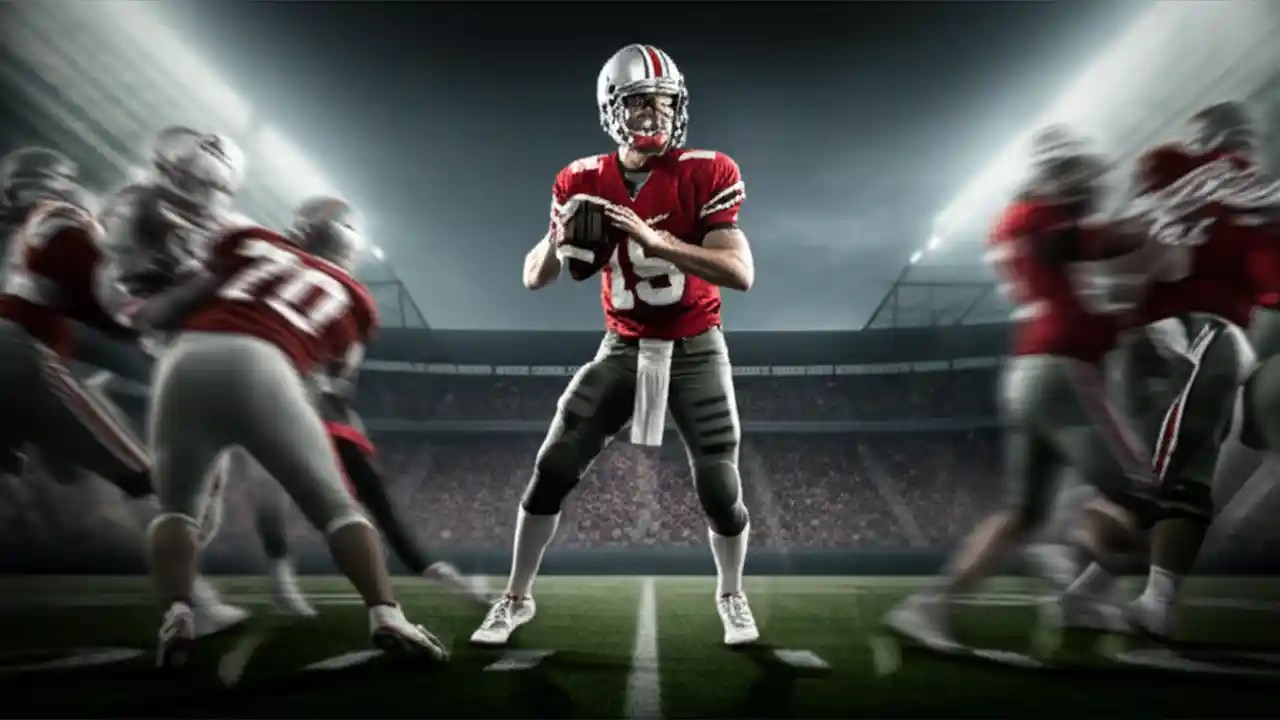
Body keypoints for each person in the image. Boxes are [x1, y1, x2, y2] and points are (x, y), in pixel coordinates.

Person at [472, 43, 758, 647]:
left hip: (696, 348)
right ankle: (515, 597)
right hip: (622, 347)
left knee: (720, 488)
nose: (653, 114)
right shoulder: (579, 179)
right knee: (552, 467)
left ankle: (731, 594)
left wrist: (656, 242)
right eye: (639, 103)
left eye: (663, 102)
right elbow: (533, 277)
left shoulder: (707, 170)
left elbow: (739, 271)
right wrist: (558, 231)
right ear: (612, 110)